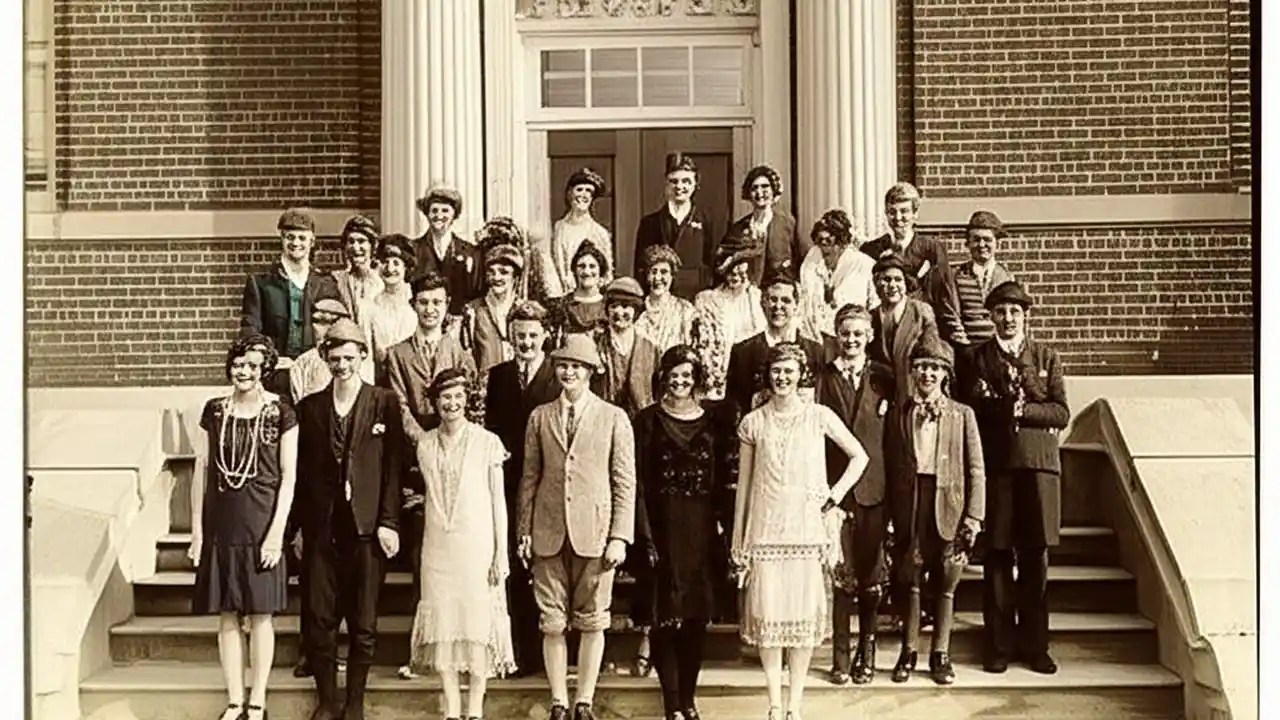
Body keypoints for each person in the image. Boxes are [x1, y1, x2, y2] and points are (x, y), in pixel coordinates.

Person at [730, 342, 869, 720]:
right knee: (770, 619)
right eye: (776, 370)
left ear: (801, 373)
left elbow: (860, 456)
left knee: (802, 623)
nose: (782, 377)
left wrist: (834, 495)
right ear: (768, 374)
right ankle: (775, 703)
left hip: (806, 532)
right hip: (766, 530)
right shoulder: (753, 422)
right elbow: (744, 486)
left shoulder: (819, 416)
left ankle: (795, 705)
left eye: (789, 370)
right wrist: (739, 540)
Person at [517, 334, 637, 720]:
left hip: (596, 533)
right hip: (548, 530)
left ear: (591, 372)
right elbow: (529, 477)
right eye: (564, 366)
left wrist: (619, 535)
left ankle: (584, 699)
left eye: (577, 367)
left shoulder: (614, 417)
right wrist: (524, 530)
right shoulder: (540, 416)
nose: (569, 373)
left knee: (593, 618)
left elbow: (624, 481)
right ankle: (558, 701)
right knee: (552, 621)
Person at [293, 319, 403, 720]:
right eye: (334, 358)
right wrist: (299, 528)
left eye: (349, 358)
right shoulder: (311, 408)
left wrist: (389, 521)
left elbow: (393, 467)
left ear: (362, 358)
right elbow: (302, 473)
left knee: (363, 619)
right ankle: (327, 699)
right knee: (320, 618)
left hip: (367, 528)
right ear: (325, 358)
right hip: (323, 528)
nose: (341, 365)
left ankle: (355, 701)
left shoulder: (383, 402)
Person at [958, 280, 1068, 676]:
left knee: (1036, 557)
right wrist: (1005, 409)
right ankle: (999, 645)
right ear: (991, 316)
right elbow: (972, 410)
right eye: (1001, 311)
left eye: (1015, 312)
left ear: (1026, 316)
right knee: (999, 556)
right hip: (998, 467)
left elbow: (1060, 413)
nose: (1007, 318)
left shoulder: (1045, 356)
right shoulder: (977, 357)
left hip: (1038, 468)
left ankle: (1036, 646)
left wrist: (1020, 412)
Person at [190, 334, 297, 720]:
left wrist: (276, 534)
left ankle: (258, 700)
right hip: (222, 523)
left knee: (261, 614)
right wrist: (198, 533)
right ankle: (235, 700)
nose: (244, 371)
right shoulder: (214, 410)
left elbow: (289, 477)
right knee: (227, 613)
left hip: (261, 521)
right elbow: (200, 473)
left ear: (265, 369)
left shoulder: (281, 411)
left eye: (252, 365)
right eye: (238, 364)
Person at [632, 345, 737, 720]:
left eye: (686, 376)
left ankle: (689, 700)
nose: (679, 382)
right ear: (663, 378)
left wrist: (726, 532)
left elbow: (726, 479)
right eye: (673, 376)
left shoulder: (715, 422)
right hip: (661, 531)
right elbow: (637, 482)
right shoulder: (645, 421)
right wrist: (642, 533)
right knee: (664, 618)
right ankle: (671, 703)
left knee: (694, 618)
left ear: (697, 380)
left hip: (702, 530)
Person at [383, 271, 478, 679]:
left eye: (437, 302)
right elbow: (399, 405)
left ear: (447, 307)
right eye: (423, 302)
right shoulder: (396, 354)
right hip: (415, 464)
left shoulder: (460, 352)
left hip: (457, 462)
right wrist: (427, 442)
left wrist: (449, 444)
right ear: (413, 305)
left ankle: (460, 648)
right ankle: (422, 650)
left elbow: (471, 404)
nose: (430, 309)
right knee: (426, 559)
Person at [410, 369, 516, 720]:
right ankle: (452, 707)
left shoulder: (488, 443)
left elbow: (498, 502)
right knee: (444, 623)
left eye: (457, 396)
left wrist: (501, 553)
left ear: (467, 400)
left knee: (477, 624)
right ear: (436, 401)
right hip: (439, 547)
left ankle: (475, 708)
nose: (451, 404)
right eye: (445, 397)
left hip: (478, 545)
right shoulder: (425, 444)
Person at [885, 337, 985, 686]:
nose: (927, 374)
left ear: (945, 374)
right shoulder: (901, 412)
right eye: (921, 367)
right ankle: (908, 651)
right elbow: (891, 463)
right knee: (911, 578)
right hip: (912, 504)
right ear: (912, 372)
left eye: (934, 368)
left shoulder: (962, 414)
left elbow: (975, 469)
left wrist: (973, 516)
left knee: (947, 579)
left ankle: (940, 653)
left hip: (950, 505)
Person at [814, 305, 893, 686]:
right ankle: (841, 658)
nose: (851, 340)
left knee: (871, 577)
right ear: (837, 334)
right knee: (841, 576)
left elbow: (894, 439)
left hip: (875, 491)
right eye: (845, 333)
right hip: (835, 490)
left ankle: (869, 649)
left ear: (870, 337)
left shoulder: (884, 379)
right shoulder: (822, 379)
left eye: (859, 334)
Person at [484, 300, 561, 678]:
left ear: (545, 335)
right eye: (519, 336)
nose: (526, 342)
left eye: (532, 335)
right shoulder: (498, 376)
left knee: (548, 569)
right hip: (510, 484)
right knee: (515, 568)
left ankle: (557, 655)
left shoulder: (557, 374)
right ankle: (519, 653)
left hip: (550, 485)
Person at [239, 208, 340, 396]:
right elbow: (250, 329)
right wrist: (271, 359)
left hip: (317, 374)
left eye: (302, 238)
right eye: (290, 237)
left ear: (312, 241)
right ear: (282, 240)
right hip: (276, 375)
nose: (296, 243)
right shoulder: (261, 282)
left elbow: (335, 328)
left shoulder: (325, 283)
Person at [725, 272, 826, 415]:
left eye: (786, 300)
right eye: (772, 299)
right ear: (762, 303)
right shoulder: (743, 352)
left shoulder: (815, 351)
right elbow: (734, 406)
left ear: (796, 305)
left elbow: (821, 402)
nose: (778, 306)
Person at [691, 231, 767, 401]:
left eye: (741, 270)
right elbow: (703, 345)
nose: (735, 276)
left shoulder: (756, 298)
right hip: (719, 378)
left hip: (751, 375)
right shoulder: (708, 300)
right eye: (730, 271)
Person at [930, 210, 1016, 353]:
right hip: (966, 350)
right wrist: (964, 345)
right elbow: (951, 314)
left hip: (998, 351)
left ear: (996, 243)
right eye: (976, 240)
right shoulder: (956, 276)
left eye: (987, 240)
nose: (982, 245)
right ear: (967, 244)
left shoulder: (1007, 278)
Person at [634, 153, 714, 299]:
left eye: (686, 181)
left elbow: (709, 263)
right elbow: (640, 268)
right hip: (659, 296)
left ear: (695, 184)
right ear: (666, 183)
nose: (680, 187)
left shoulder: (705, 220)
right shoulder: (650, 223)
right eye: (674, 181)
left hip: (694, 296)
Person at [868, 253, 941, 406]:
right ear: (877, 283)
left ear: (906, 283)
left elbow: (931, 352)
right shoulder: (871, 317)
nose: (892, 285)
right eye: (886, 279)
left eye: (898, 279)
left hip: (914, 393)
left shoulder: (921, 312)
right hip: (880, 397)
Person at [857, 182, 951, 301]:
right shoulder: (871, 250)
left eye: (904, 211)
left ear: (915, 213)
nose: (898, 217)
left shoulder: (932, 249)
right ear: (886, 214)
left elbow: (945, 295)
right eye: (892, 212)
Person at [797, 209, 878, 343]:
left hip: (851, 338)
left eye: (829, 241)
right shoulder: (812, 260)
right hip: (816, 338)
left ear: (843, 243)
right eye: (819, 241)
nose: (824, 248)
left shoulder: (864, 265)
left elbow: (874, 307)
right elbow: (805, 299)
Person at [537, 167, 614, 300]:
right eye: (579, 190)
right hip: (562, 296)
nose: (583, 195)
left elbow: (607, 275)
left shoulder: (599, 232)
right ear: (570, 193)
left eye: (588, 191)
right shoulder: (559, 228)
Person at [724, 165, 805, 284]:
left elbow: (801, 257)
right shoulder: (738, 228)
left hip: (778, 293)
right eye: (754, 188)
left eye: (765, 186)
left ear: (773, 190)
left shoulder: (787, 223)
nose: (759, 192)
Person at [593, 277, 661, 418]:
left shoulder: (650, 347)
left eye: (625, 306)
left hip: (641, 420)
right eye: (613, 306)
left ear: (635, 310)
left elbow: (658, 390)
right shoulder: (596, 344)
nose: (619, 312)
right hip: (604, 419)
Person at [413, 184, 483, 317]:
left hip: (459, 324)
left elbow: (475, 293)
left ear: (454, 215)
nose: (439, 215)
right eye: (434, 210)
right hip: (424, 319)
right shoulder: (414, 249)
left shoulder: (470, 252)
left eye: (445, 211)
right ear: (427, 214)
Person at [461, 243, 525, 377]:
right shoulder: (473, 311)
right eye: (491, 272)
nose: (496, 278)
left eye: (504, 272)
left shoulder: (525, 310)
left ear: (515, 277)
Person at [364, 234, 418, 385]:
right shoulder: (371, 305)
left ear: (406, 267)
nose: (390, 268)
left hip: (413, 378)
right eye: (385, 262)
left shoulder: (417, 302)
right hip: (382, 379)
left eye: (396, 263)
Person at [634, 244, 699, 353]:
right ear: (646, 275)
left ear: (672, 276)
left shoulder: (685, 310)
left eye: (664, 272)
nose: (658, 278)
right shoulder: (637, 310)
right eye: (653, 272)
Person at [546, 241, 610, 347]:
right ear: (574, 271)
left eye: (592, 266)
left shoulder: (608, 306)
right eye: (581, 266)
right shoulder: (561, 306)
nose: (587, 271)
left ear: (600, 272)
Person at [290, 298, 350, 405]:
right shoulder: (303, 362)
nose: (326, 327)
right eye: (319, 321)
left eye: (331, 322)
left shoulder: (356, 359)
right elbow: (299, 401)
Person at [330, 214, 384, 328]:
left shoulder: (382, 281)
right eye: (351, 241)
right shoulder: (336, 280)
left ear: (372, 246)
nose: (355, 247)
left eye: (361, 241)